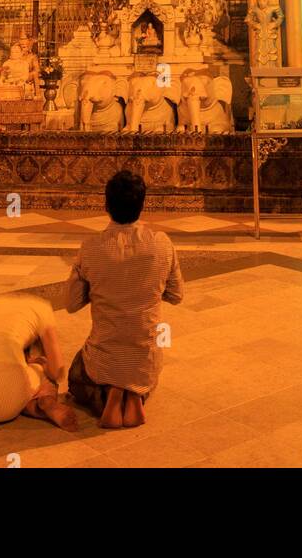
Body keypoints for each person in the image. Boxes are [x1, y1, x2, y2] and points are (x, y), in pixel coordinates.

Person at [66, 169, 183, 429]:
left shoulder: (91, 248)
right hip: (144, 360)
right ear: (142, 205)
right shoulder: (162, 244)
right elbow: (176, 295)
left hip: (102, 360)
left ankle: (111, 396)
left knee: (75, 377)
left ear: (106, 205)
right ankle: (133, 395)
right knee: (142, 372)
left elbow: (71, 303)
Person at [0, 293, 77, 430]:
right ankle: (47, 402)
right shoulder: (41, 308)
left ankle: (33, 406)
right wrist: (41, 364)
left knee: (16, 384)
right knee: (42, 373)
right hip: (9, 403)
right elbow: (57, 371)